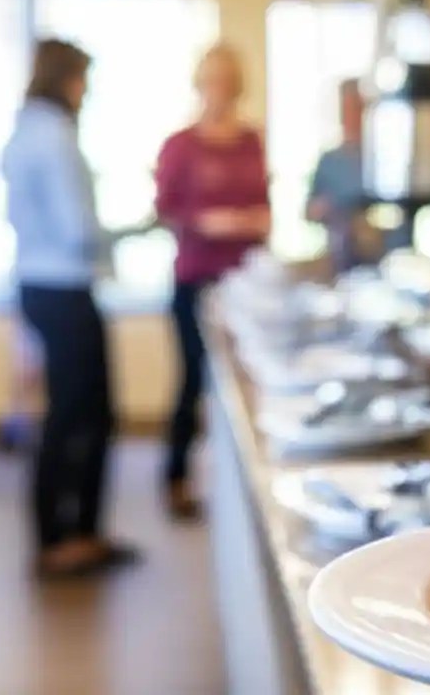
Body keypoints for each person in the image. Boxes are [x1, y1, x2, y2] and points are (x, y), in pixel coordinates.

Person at [3, 39, 137, 577]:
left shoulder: (23, 131)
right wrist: (129, 233)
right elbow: (78, 230)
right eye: (83, 79)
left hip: (37, 285)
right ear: (67, 78)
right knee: (83, 418)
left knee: (65, 416)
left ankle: (65, 532)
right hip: (65, 289)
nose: (87, 91)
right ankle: (69, 536)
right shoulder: (56, 137)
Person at [155, 44, 270, 521]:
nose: (220, 89)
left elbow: (266, 208)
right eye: (213, 79)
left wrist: (249, 222)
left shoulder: (250, 142)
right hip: (195, 276)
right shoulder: (181, 145)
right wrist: (207, 222)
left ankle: (244, 482)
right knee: (191, 381)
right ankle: (176, 476)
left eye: (228, 79)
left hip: (243, 279)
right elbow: (165, 209)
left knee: (246, 383)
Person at [307, 79, 376, 273]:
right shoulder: (329, 161)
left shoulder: (382, 160)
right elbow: (309, 212)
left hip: (380, 258)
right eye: (346, 109)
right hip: (341, 261)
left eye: (357, 108)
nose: (351, 115)